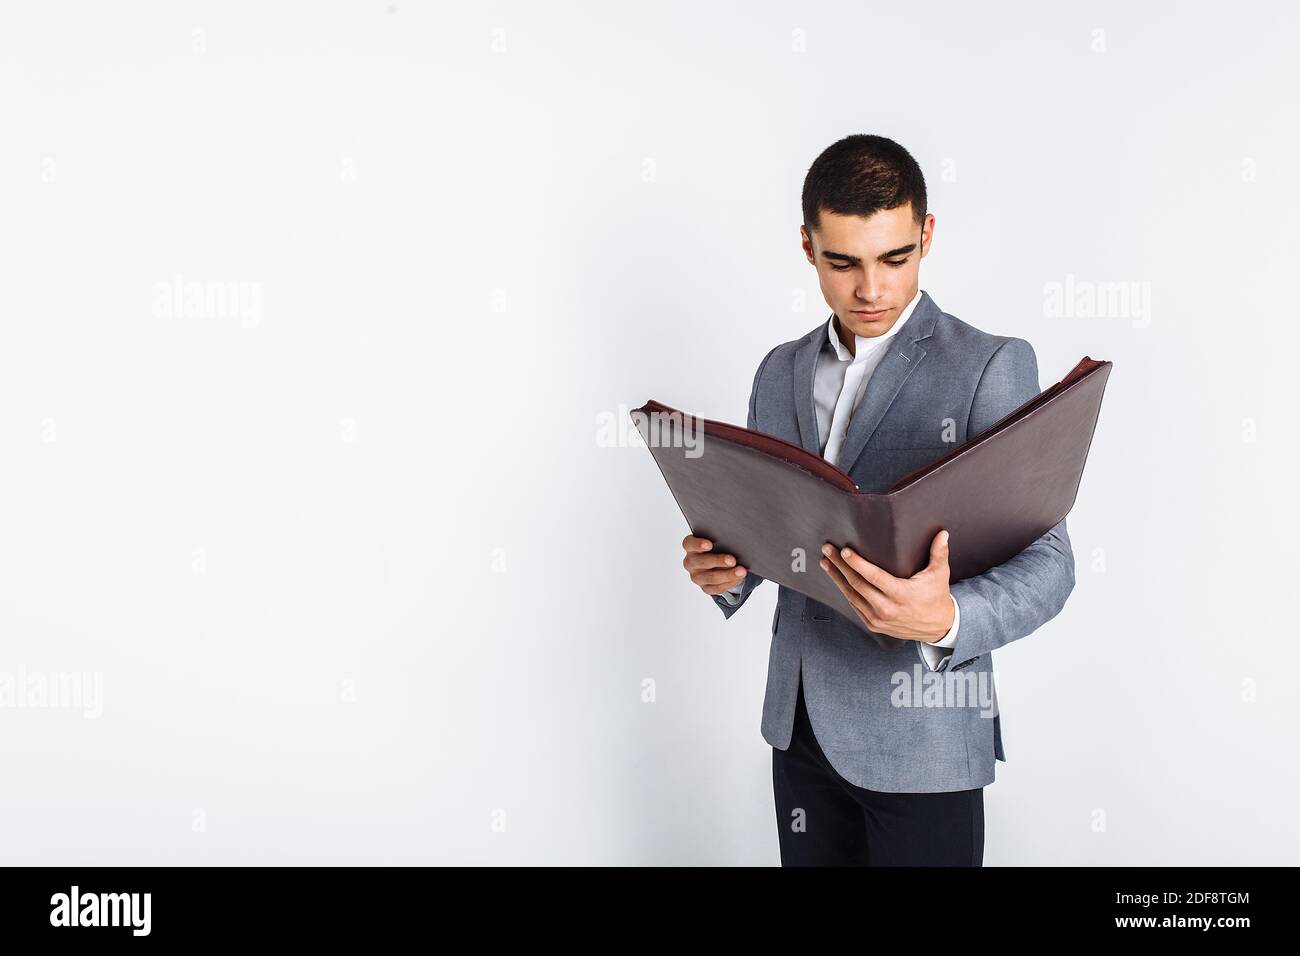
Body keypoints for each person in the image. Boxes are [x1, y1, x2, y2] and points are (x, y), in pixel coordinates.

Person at [680, 134, 1075, 866]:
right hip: (798, 730)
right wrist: (728, 573)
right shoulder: (779, 371)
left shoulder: (990, 365)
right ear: (807, 247)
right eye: (844, 263)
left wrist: (949, 616)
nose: (872, 289)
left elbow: (1050, 563)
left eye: (895, 258)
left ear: (926, 235)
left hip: (925, 738)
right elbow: (777, 527)